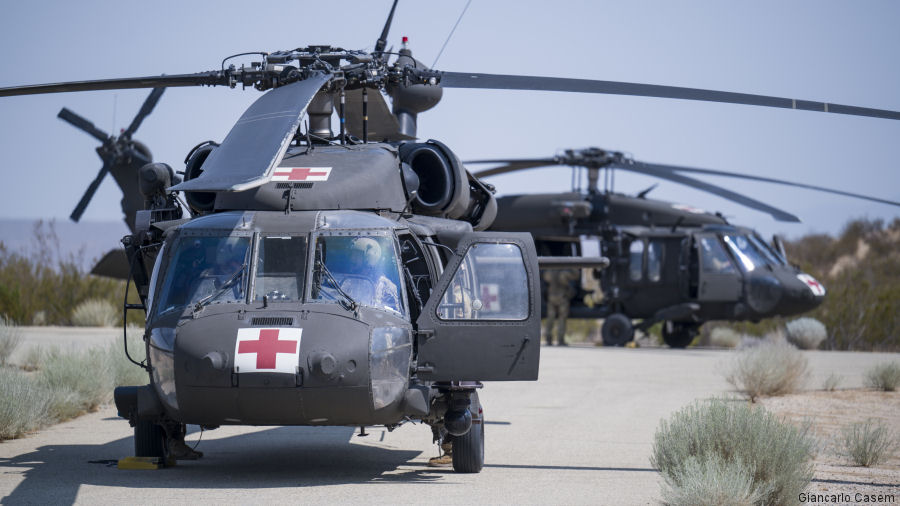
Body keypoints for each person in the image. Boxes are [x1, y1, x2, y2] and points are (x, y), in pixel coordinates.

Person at [340, 237, 400, 312]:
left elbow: (393, 316)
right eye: (352, 255)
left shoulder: (387, 287)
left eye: (356, 256)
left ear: (369, 258)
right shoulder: (348, 281)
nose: (352, 259)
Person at [543, 268, 578, 345]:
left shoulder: (549, 271)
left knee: (550, 318)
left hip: (552, 297)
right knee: (561, 319)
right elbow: (576, 276)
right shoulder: (565, 272)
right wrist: (575, 267)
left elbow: (546, 278)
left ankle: (548, 339)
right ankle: (560, 340)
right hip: (562, 298)